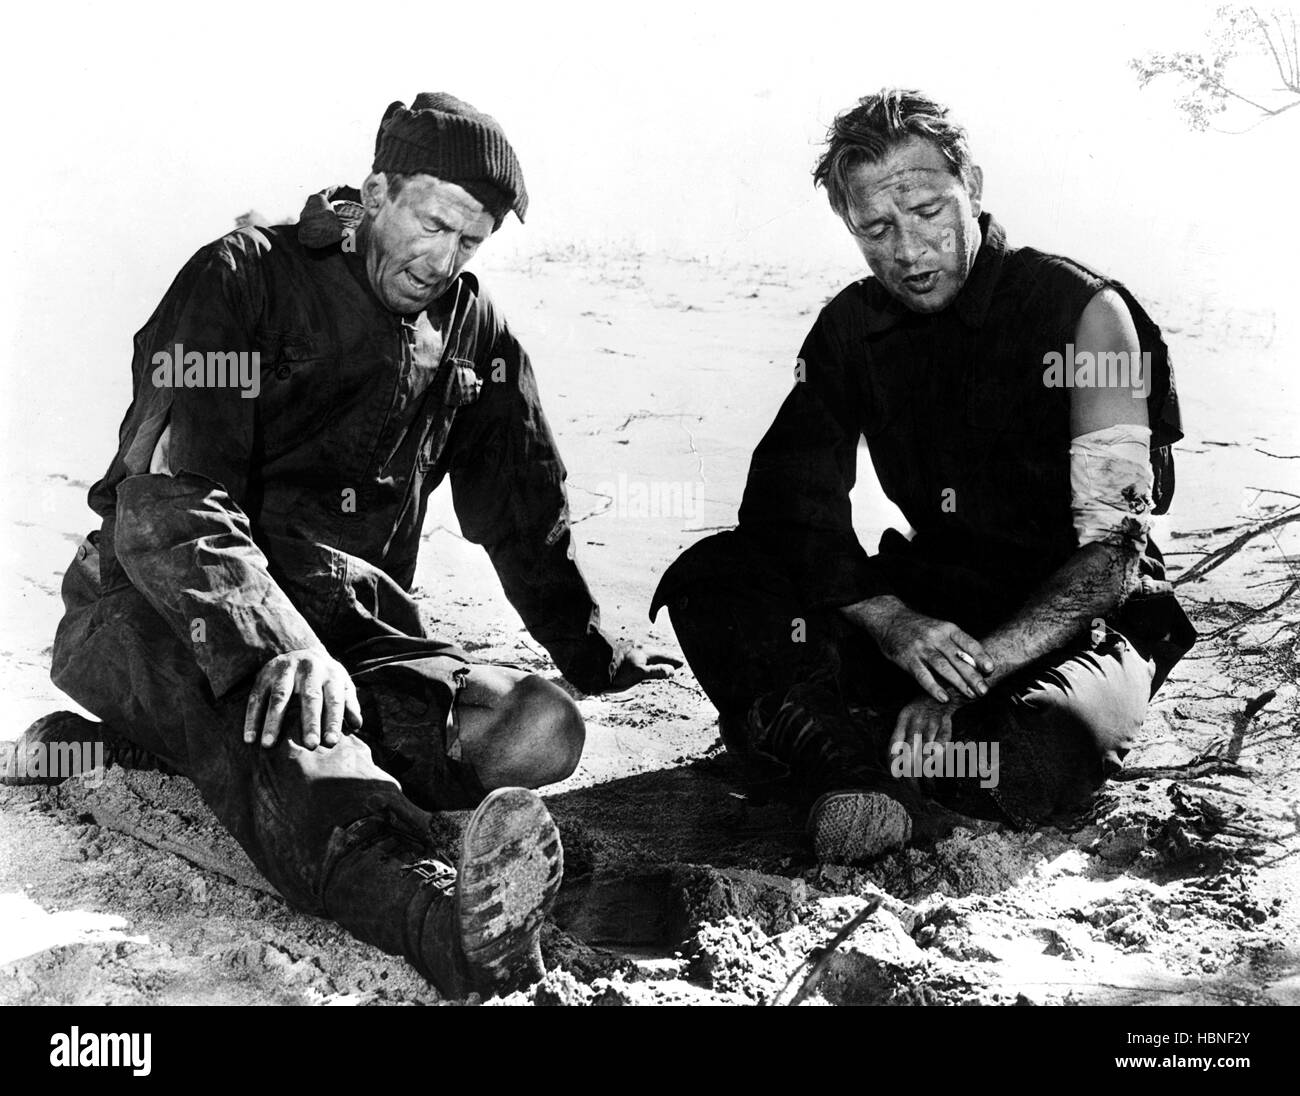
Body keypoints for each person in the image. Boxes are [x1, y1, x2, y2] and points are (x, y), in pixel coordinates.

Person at [17, 92, 679, 998]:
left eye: (471, 243)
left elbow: (523, 511)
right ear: (375, 192)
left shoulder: (472, 333)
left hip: (352, 633)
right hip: (160, 606)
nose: (442, 260)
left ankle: (171, 750)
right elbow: (167, 501)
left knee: (538, 730)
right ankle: (436, 922)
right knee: (296, 728)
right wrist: (278, 650)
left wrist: (594, 652)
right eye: (433, 224)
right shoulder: (241, 276)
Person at [652, 89, 1195, 864]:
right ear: (849, 226)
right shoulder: (851, 326)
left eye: (929, 212)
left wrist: (969, 676)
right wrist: (892, 619)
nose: (909, 251)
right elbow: (786, 505)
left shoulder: (1085, 315)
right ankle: (856, 772)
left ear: (970, 182)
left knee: (1034, 753)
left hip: (1071, 619)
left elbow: (1113, 554)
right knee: (716, 580)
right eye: (876, 228)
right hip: (932, 607)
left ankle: (839, 752)